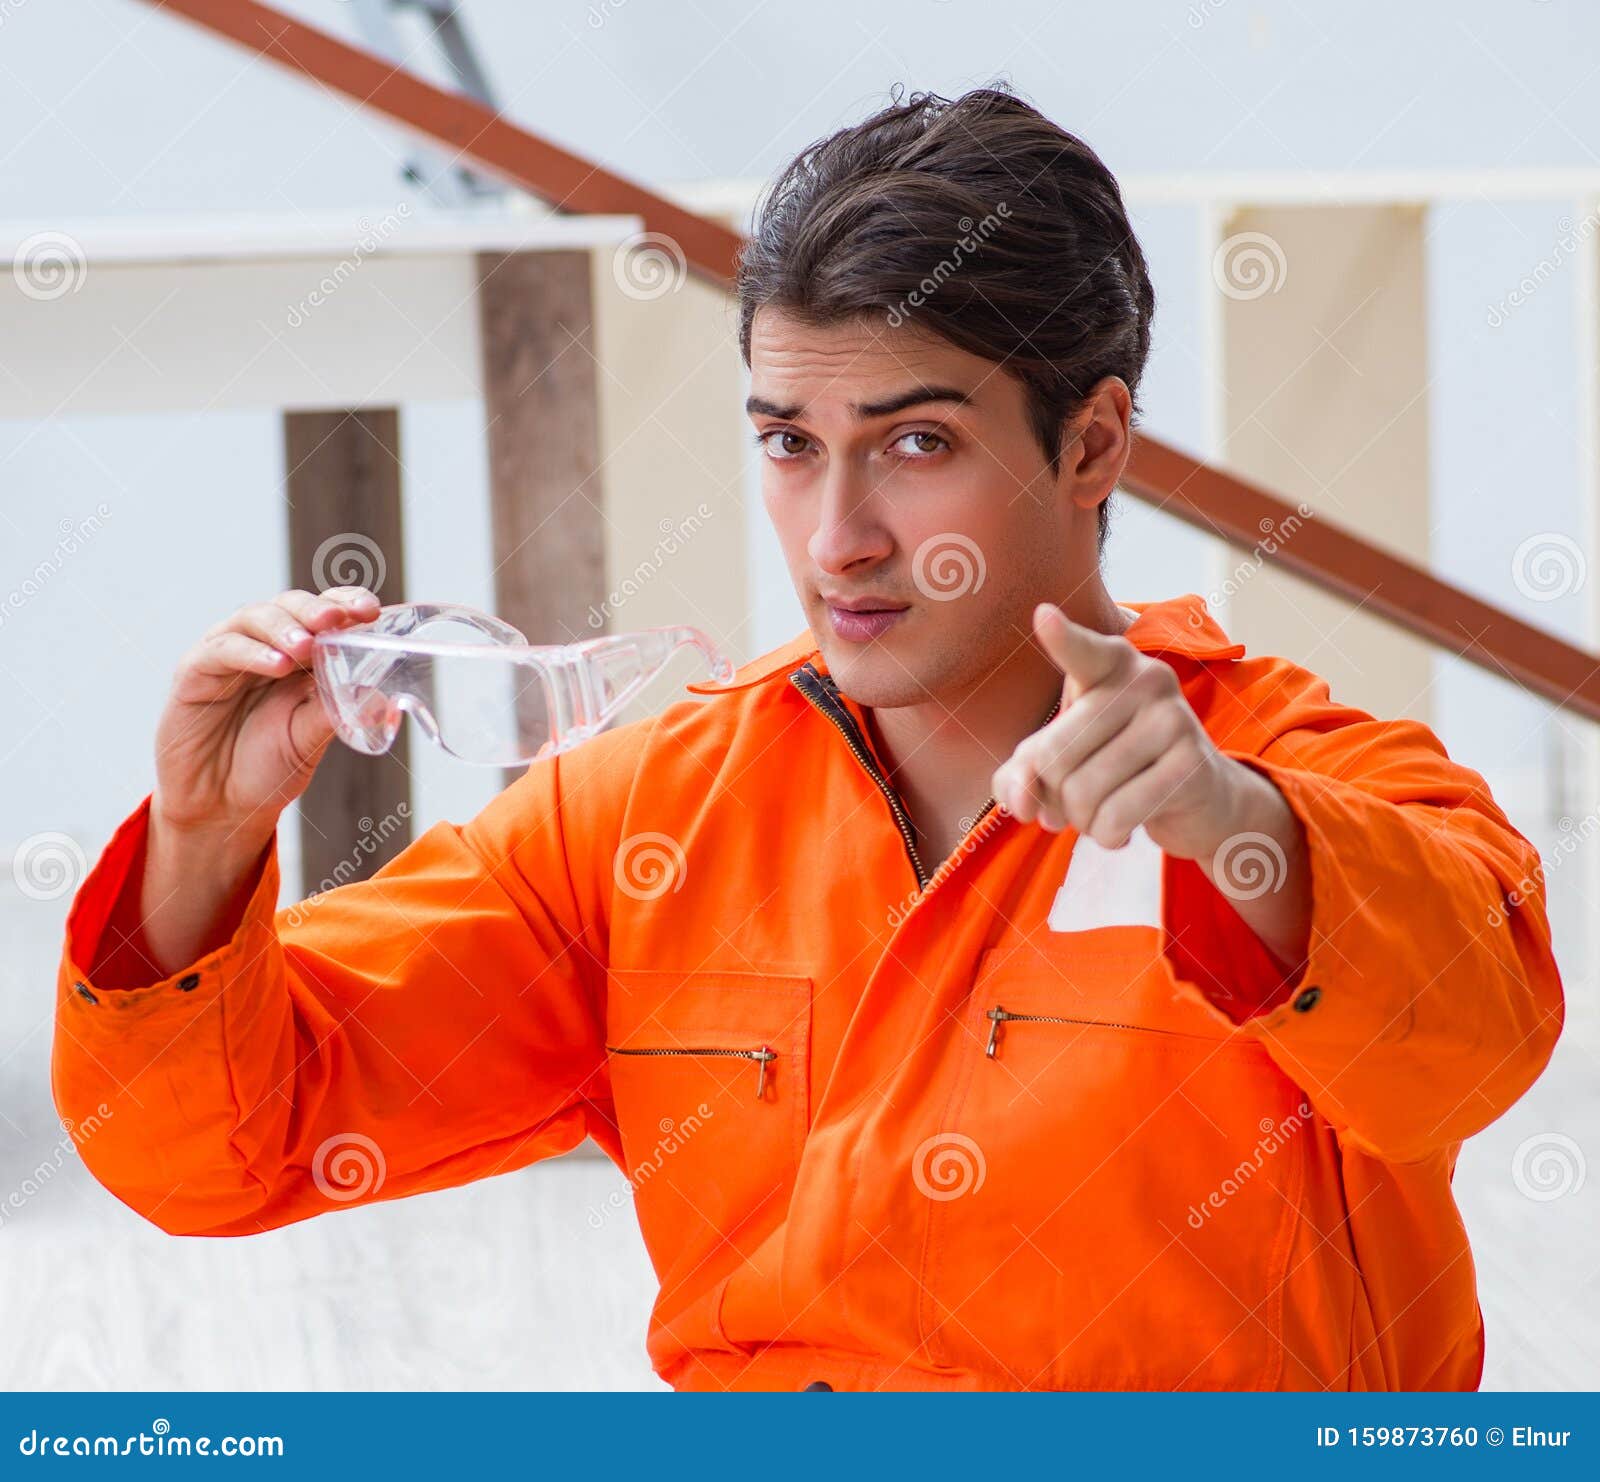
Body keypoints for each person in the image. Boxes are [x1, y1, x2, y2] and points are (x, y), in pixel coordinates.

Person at [53, 85, 1562, 1392]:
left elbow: (1471, 1047)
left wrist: (1235, 828)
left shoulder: (1312, 778)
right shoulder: (643, 822)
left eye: (916, 444)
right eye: (789, 443)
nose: (837, 536)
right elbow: (216, 1150)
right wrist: (206, 837)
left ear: (1091, 443)